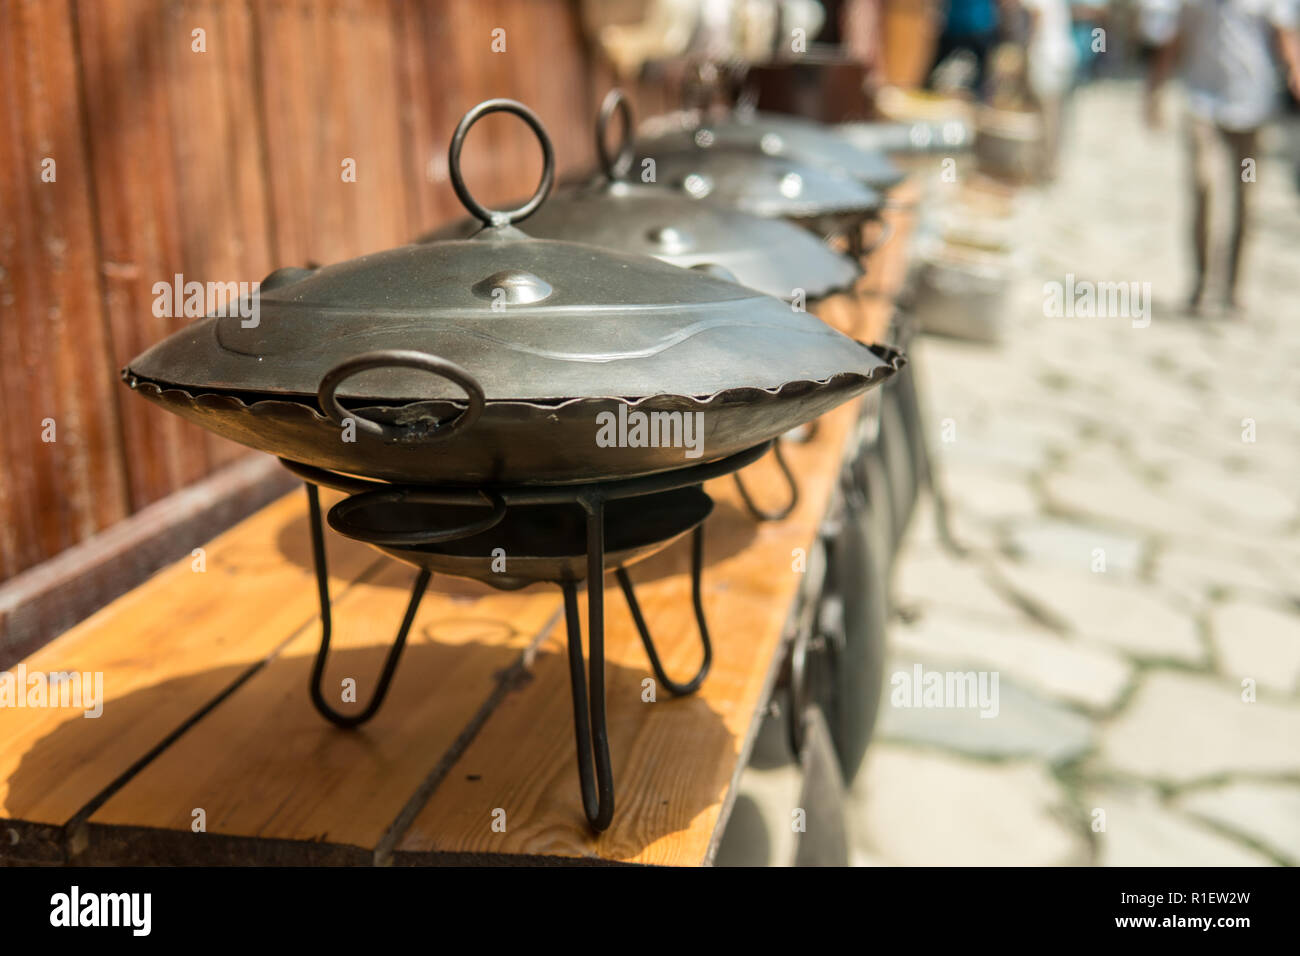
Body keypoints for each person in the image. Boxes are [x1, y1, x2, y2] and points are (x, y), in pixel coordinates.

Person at [1144, 0, 1300, 315]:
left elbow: (1284, 38)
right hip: (1203, 107)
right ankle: (1201, 282)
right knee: (1204, 185)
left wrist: (1294, 75)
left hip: (1252, 111)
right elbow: (1176, 39)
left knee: (1245, 200)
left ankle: (1233, 288)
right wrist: (1155, 89)